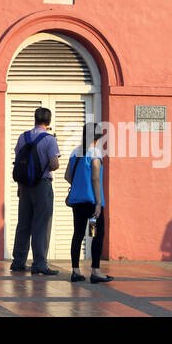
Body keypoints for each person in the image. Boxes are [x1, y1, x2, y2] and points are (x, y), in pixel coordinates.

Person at [10, 107, 61, 276]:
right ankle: (39, 263)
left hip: (24, 186)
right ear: (49, 121)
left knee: (23, 223)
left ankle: (18, 261)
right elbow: (54, 165)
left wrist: (19, 186)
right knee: (41, 224)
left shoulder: (23, 137)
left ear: (34, 119)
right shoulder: (49, 139)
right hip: (42, 185)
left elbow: (18, 161)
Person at [65, 122, 112, 284]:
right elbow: (95, 179)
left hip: (78, 203)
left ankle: (75, 271)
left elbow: (67, 176)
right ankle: (95, 271)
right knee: (95, 234)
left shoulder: (74, 153)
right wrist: (99, 203)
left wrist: (78, 184)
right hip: (92, 204)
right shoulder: (95, 153)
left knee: (78, 234)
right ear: (97, 138)